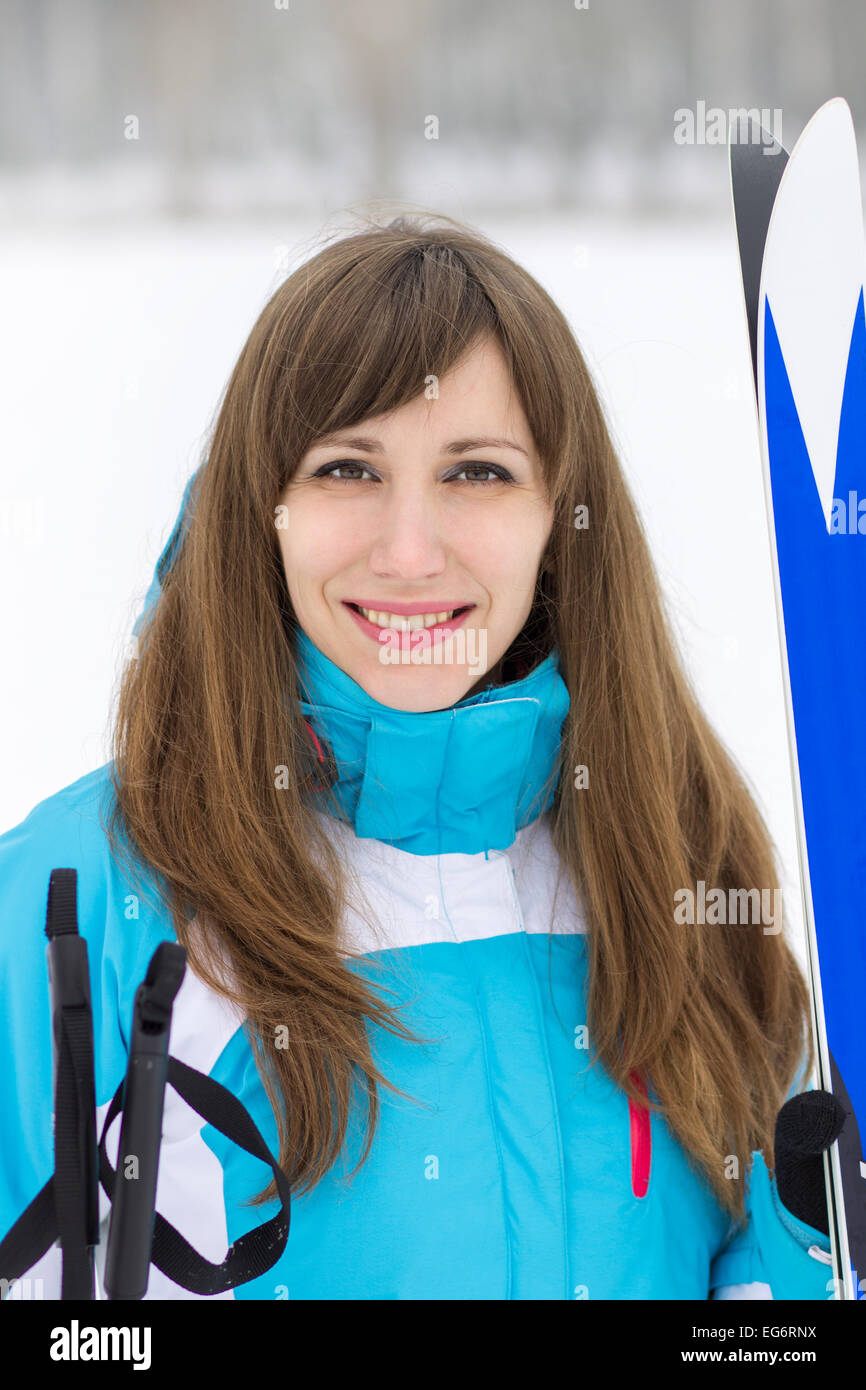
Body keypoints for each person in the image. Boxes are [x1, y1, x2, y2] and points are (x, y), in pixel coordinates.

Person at [0, 213, 842, 1300]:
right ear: (266, 510)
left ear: (559, 517)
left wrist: (806, 1254)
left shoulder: (677, 866)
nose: (408, 550)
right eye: (348, 467)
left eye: (477, 474)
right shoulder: (77, 901)